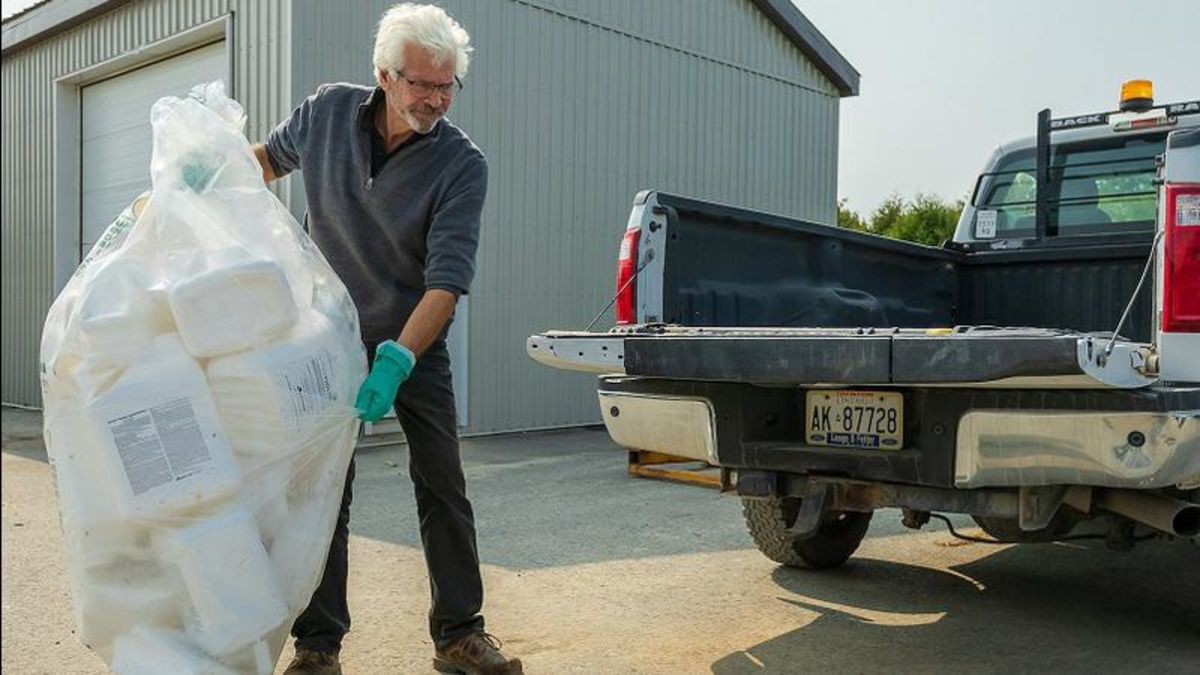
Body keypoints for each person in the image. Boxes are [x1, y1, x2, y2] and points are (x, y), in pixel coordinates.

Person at [250, 4, 521, 674]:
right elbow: (265, 161)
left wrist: (399, 358)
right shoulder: (326, 114)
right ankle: (319, 645)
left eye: (446, 85)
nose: (434, 98)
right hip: (327, 335)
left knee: (442, 480)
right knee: (323, 489)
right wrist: (204, 178)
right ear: (385, 75)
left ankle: (460, 632)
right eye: (421, 83)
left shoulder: (462, 165)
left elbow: (447, 280)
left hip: (413, 341)